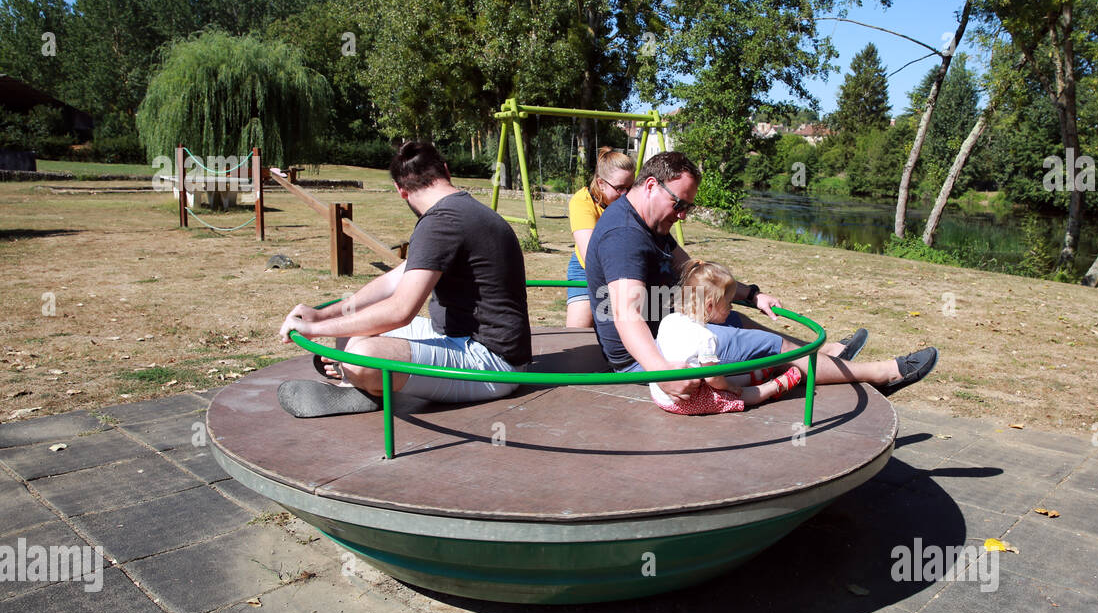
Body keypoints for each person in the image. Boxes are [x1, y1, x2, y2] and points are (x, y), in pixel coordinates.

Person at [583, 151, 938, 403]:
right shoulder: (625, 237)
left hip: (674, 332)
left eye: (688, 207)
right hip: (648, 360)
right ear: (649, 186)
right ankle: (883, 374)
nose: (683, 215)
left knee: (739, 319)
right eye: (680, 204)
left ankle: (829, 354)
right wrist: (664, 373)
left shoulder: (650, 223)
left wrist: (752, 294)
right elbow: (626, 314)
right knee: (772, 348)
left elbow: (693, 272)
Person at [275, 141, 532, 418]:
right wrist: (322, 314)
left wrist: (318, 328)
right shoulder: (464, 212)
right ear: (446, 170)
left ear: (400, 191)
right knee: (352, 331)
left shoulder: (440, 222)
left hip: (490, 363)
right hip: (462, 339)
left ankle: (360, 380)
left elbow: (400, 311)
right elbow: (392, 281)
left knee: (362, 355)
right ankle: (359, 382)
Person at [650, 259, 803, 415]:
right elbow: (713, 379)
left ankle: (755, 375)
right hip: (682, 400)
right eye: (728, 303)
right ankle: (772, 388)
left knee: (718, 378)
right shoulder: (706, 337)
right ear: (710, 306)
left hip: (660, 392)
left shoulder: (670, 319)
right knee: (731, 394)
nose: (731, 308)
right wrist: (730, 388)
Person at [566, 147, 635, 327]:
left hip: (623, 267)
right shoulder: (582, 202)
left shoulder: (632, 202)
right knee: (579, 329)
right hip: (587, 268)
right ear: (601, 183)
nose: (626, 194)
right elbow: (590, 254)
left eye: (630, 187)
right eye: (620, 188)